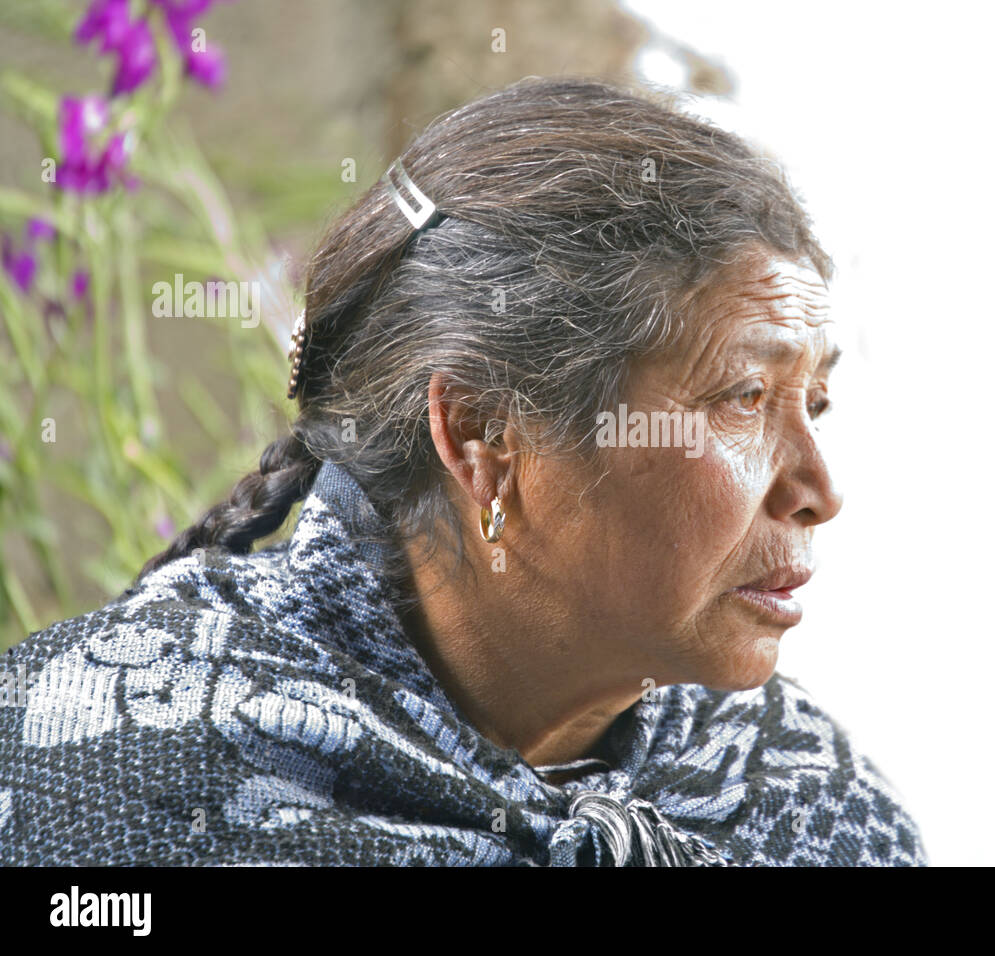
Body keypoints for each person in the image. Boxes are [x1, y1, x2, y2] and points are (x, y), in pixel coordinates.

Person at [0, 77, 927, 866]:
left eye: (818, 404)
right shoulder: (118, 788)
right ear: (484, 437)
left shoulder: (800, 805)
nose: (819, 488)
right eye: (741, 400)